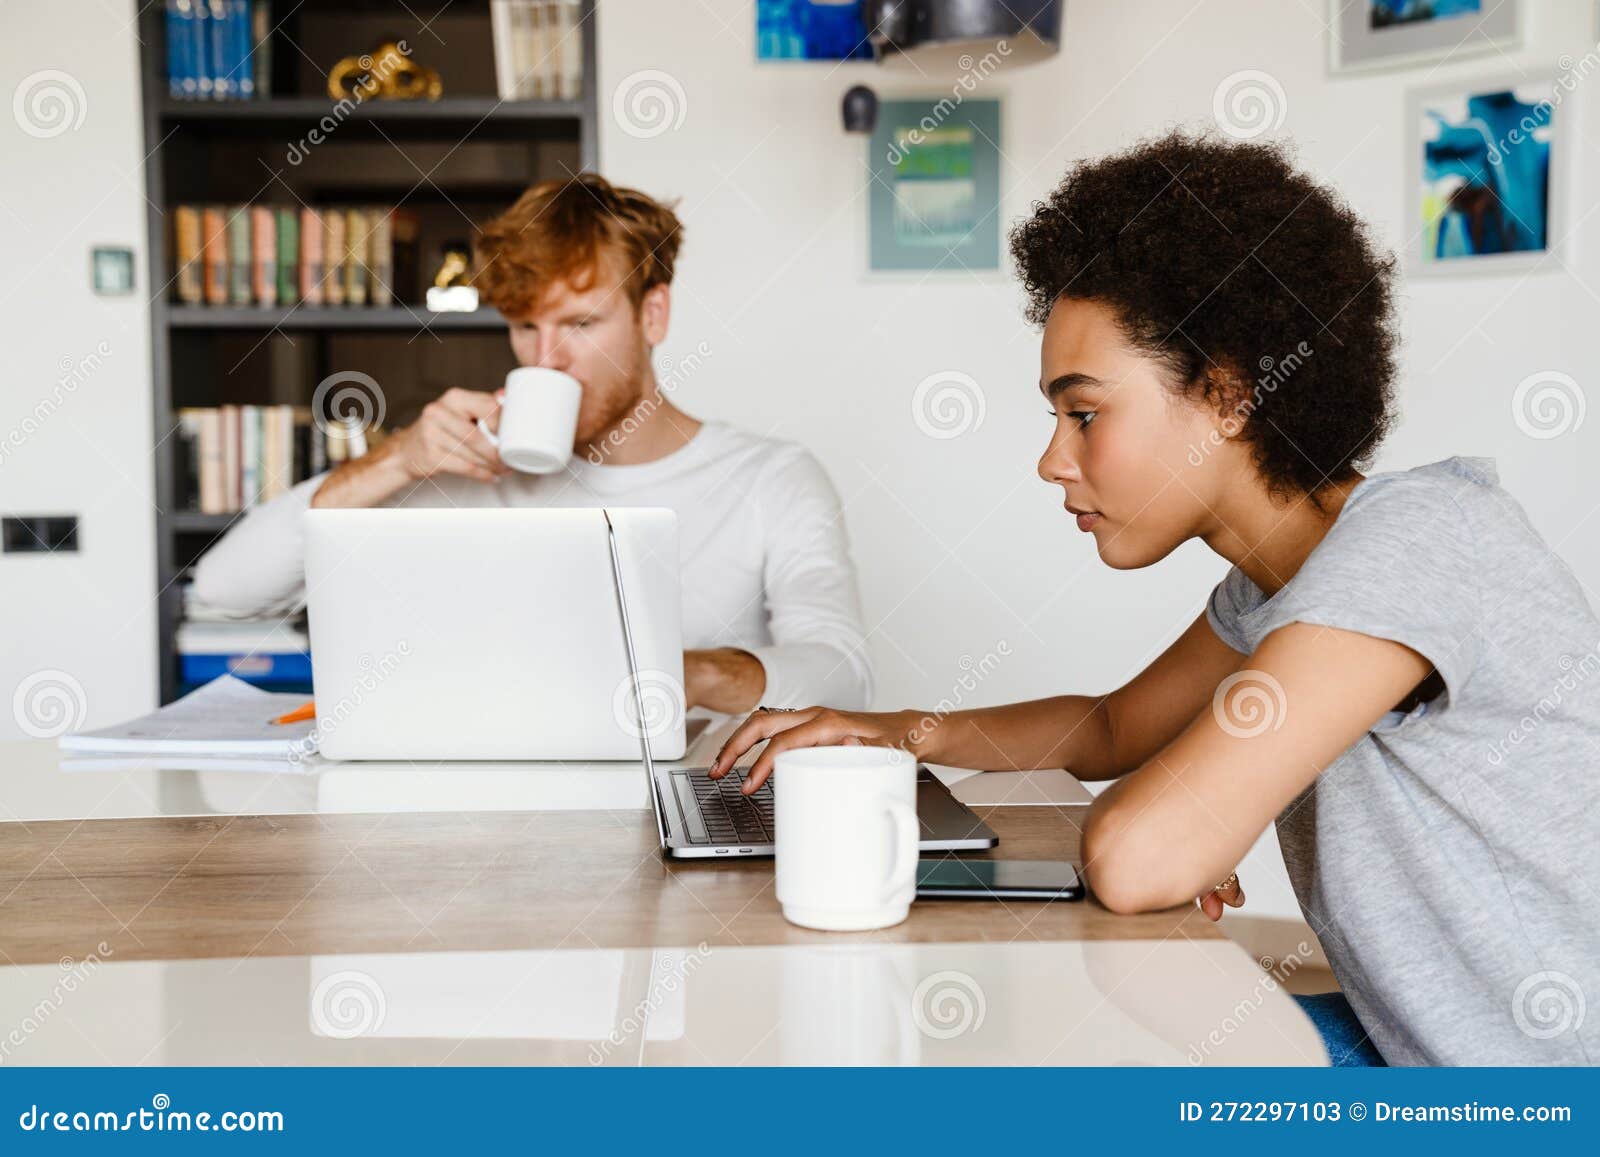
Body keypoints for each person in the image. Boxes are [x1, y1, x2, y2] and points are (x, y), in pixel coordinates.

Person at [709, 131, 1600, 1067]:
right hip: (1412, 1043)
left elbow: (1140, 857)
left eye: (1084, 413)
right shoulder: (1276, 585)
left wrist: (1183, 823)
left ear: (1228, 394)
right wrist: (897, 732)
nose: (1052, 460)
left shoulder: (1419, 541)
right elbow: (1109, 728)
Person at [190, 173, 872, 715]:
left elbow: (844, 675)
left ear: (653, 314)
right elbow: (223, 590)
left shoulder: (770, 479)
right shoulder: (465, 468)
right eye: (524, 326)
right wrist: (395, 459)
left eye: (580, 323)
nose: (546, 359)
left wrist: (685, 672)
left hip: (684, 803)